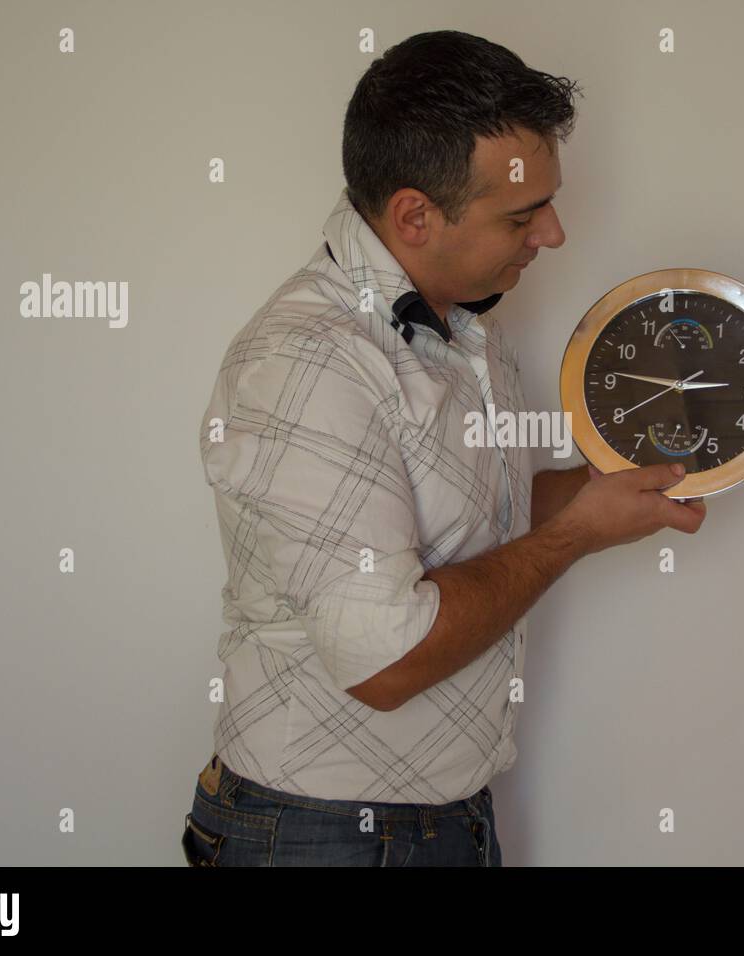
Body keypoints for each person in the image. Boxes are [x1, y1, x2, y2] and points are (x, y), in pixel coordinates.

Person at [181, 30, 706, 867]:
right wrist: (577, 536)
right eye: (524, 214)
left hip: (447, 821)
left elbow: (470, 525)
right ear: (415, 216)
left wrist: (602, 488)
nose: (556, 235)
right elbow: (383, 662)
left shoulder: (468, 328)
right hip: (321, 837)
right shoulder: (309, 359)